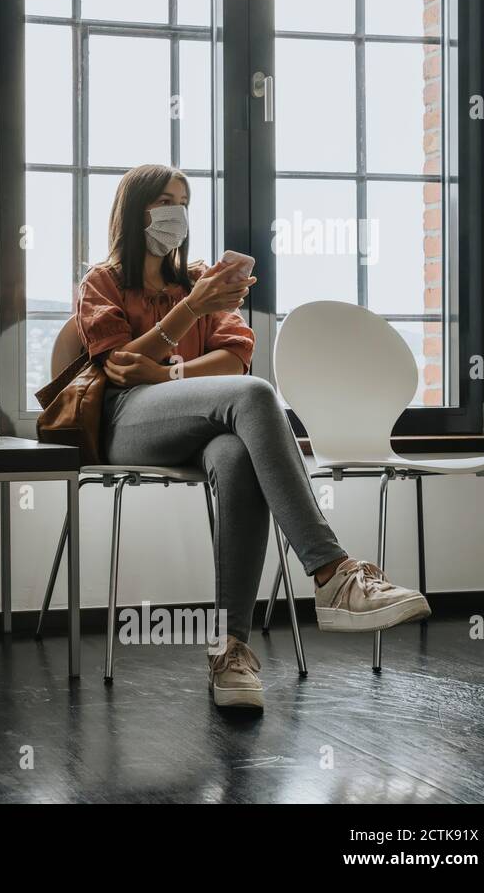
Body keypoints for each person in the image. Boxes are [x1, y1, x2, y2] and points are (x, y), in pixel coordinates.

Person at [76, 163, 431, 710]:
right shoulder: (102, 283)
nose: (177, 212)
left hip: (207, 422)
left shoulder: (199, 278)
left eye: (184, 201)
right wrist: (190, 315)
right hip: (129, 424)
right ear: (134, 209)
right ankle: (332, 571)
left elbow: (235, 356)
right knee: (258, 395)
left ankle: (230, 648)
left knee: (238, 454)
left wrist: (167, 371)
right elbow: (121, 365)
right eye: (164, 200)